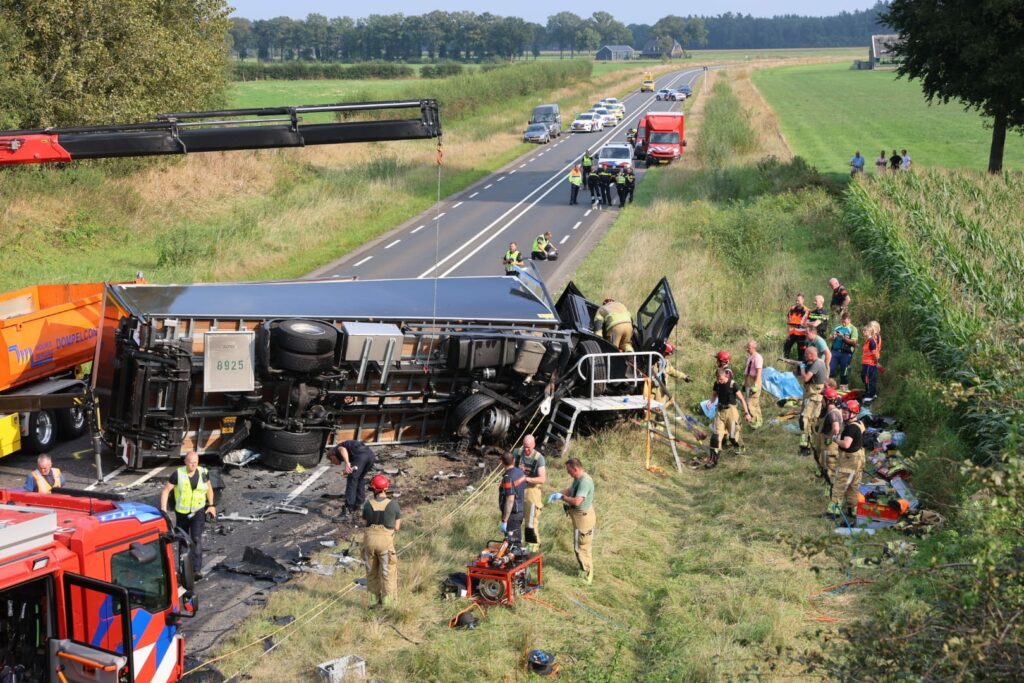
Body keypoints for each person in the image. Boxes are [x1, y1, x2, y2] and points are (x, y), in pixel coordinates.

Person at [160, 451, 216, 578]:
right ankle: (183, 570)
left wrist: (212, 505)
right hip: (182, 513)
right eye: (191, 463)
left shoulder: (203, 472)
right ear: (185, 462)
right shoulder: (178, 474)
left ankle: (196, 570)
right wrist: (163, 512)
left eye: (195, 462)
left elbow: (209, 489)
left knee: (196, 539)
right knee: (183, 541)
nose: (193, 465)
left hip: (198, 511)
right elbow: (165, 491)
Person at [547, 458, 596, 585]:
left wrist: (562, 498)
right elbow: (570, 491)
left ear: (576, 469)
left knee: (582, 546)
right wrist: (557, 493)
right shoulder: (577, 479)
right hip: (579, 517)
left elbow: (577, 501)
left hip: (583, 518)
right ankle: (584, 569)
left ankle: (587, 574)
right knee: (578, 545)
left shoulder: (585, 482)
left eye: (569, 471)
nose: (568, 473)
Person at [362, 473, 401, 607]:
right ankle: (388, 605)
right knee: (387, 574)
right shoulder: (394, 505)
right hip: (385, 544)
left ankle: (373, 604)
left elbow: (366, 522)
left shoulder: (368, 505)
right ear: (386, 488)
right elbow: (397, 527)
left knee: (371, 574)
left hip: (369, 542)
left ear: (373, 489)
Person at [829, 400, 866, 522]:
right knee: (853, 486)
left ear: (853, 413)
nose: (843, 415)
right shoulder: (860, 424)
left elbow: (846, 444)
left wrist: (835, 440)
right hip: (858, 459)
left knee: (839, 486)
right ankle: (853, 510)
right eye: (843, 412)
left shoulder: (851, 428)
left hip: (849, 461)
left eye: (846, 413)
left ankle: (833, 512)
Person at [706, 368, 751, 468]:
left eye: (721, 379)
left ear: (725, 375)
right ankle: (713, 459)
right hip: (720, 411)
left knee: (733, 436)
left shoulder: (733, 384)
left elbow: (742, 400)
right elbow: (714, 395)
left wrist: (747, 413)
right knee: (715, 437)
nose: (719, 381)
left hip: (731, 412)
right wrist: (710, 401)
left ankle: (739, 447)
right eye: (718, 379)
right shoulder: (717, 384)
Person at [513, 435, 546, 552]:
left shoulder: (539, 458)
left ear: (534, 445)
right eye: (525, 447)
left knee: (531, 521)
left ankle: (533, 547)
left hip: (532, 490)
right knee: (515, 518)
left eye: (529, 448)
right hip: (518, 490)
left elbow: (542, 479)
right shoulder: (517, 453)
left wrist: (526, 479)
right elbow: (510, 467)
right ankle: (515, 544)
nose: (526, 450)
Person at [328, 439, 375, 517]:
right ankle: (359, 503)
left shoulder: (336, 449)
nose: (334, 463)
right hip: (370, 455)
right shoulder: (348, 451)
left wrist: (347, 464)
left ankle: (348, 509)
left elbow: (342, 449)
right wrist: (348, 468)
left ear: (332, 456)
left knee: (352, 480)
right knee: (359, 479)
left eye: (332, 461)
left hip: (361, 456)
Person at [798, 346, 828, 457]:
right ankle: (811, 444)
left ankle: (806, 447)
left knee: (806, 421)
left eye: (806, 354)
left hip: (814, 397)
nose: (805, 356)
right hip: (810, 396)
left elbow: (806, 378)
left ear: (811, 354)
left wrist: (802, 368)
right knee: (807, 421)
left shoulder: (816, 364)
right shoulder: (818, 362)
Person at [653, 341, 692, 411]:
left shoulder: (666, 362)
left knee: (660, 409)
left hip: (662, 388)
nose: (669, 356)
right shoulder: (653, 362)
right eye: (669, 354)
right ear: (664, 352)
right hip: (654, 388)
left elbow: (673, 371)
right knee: (655, 409)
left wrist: (684, 376)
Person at [498, 451, 527, 546]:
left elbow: (510, 499)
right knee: (514, 539)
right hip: (520, 510)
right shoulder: (520, 472)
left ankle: (519, 560)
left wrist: (504, 520)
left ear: (502, 462)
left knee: (514, 542)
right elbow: (522, 487)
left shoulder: (508, 477)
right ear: (514, 460)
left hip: (513, 514)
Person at [816, 387, 844, 484]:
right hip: (826, 443)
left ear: (827, 400)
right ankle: (826, 483)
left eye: (822, 399)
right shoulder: (830, 411)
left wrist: (830, 438)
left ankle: (832, 488)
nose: (821, 401)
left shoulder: (833, 413)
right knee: (825, 465)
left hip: (830, 445)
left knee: (830, 467)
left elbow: (836, 429)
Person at [829, 313, 858, 391]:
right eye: (842, 320)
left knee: (844, 371)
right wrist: (833, 337)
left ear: (849, 320)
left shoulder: (853, 329)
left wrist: (843, 338)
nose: (843, 322)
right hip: (835, 351)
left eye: (845, 321)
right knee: (831, 369)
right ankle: (830, 386)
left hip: (846, 352)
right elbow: (830, 338)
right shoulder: (838, 328)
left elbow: (854, 342)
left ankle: (844, 388)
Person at [743, 340, 764, 429]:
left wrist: (755, 385)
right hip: (749, 381)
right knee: (753, 403)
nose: (747, 349)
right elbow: (748, 371)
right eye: (747, 347)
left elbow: (759, 373)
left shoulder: (758, 357)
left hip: (754, 382)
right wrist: (745, 383)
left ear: (754, 348)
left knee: (751, 403)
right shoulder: (751, 357)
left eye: (749, 347)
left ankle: (755, 422)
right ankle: (758, 420)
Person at [783, 294, 809, 360]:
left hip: (802, 335)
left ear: (803, 300)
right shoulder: (792, 309)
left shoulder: (807, 311)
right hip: (792, 333)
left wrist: (807, 335)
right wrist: (787, 333)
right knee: (786, 347)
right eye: (796, 300)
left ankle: (799, 369)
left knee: (801, 353)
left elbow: (809, 324)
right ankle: (785, 363)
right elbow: (788, 321)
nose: (797, 302)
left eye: (798, 300)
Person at [861, 322, 881, 403]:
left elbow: (875, 353)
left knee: (868, 378)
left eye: (865, 331)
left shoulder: (873, 340)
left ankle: (870, 395)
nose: (863, 333)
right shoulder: (868, 340)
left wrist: (877, 362)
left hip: (870, 363)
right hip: (866, 363)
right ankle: (870, 392)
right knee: (865, 377)